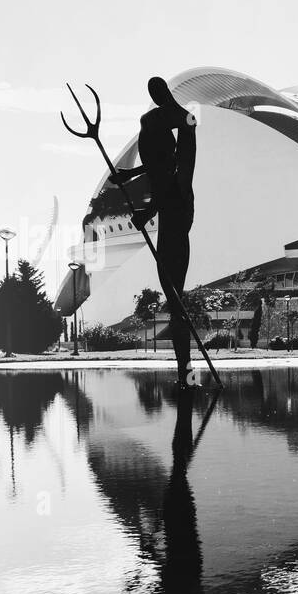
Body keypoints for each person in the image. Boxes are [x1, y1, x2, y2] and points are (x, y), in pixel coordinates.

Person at [111, 77, 198, 387]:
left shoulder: (181, 171)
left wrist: (146, 213)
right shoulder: (167, 166)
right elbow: (158, 170)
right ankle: (185, 371)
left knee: (175, 299)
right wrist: (130, 174)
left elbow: (167, 183)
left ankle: (186, 370)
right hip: (170, 225)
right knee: (174, 299)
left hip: (176, 226)